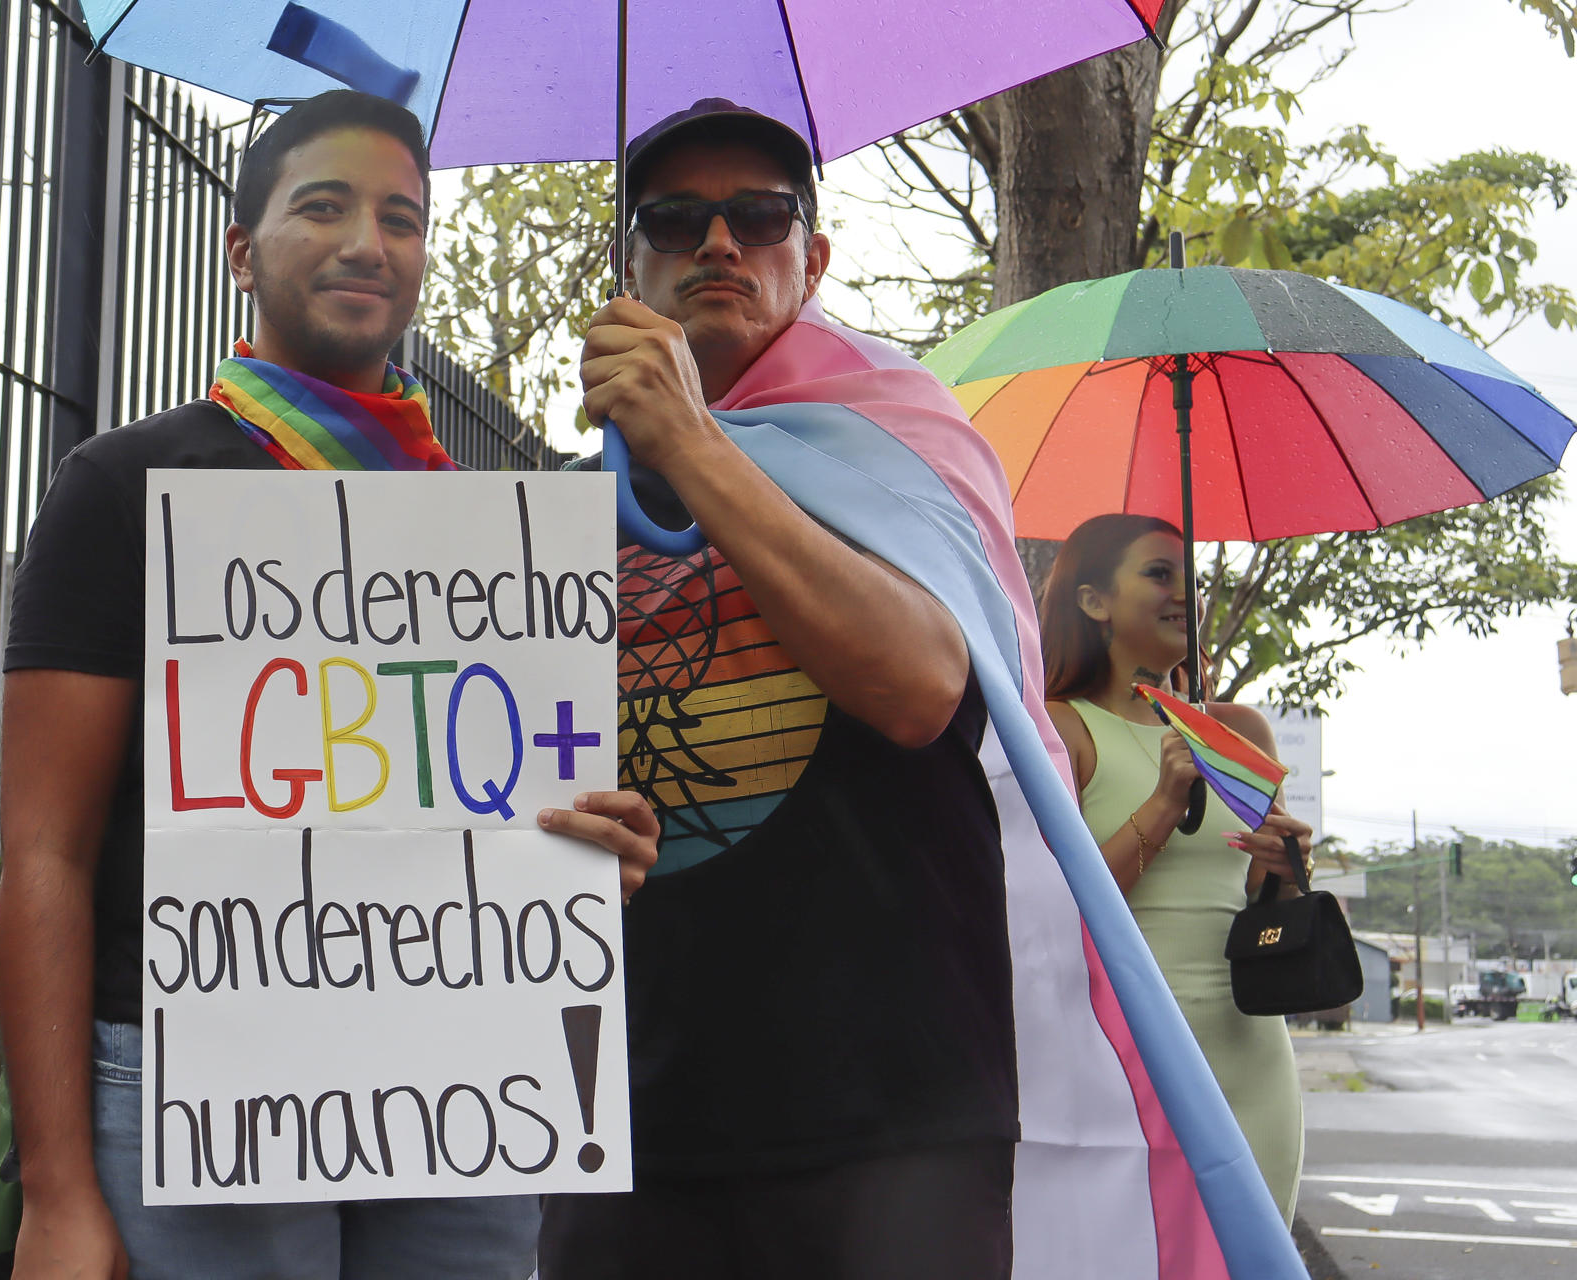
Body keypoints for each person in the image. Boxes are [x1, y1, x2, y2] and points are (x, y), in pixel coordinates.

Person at [0, 90, 653, 1280]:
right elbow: (44, 853)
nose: (369, 241)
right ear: (241, 250)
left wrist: (586, 850)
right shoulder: (123, 482)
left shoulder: (487, 527)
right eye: (325, 206)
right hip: (194, 1080)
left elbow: (502, 810)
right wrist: (56, 1188)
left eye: (402, 217)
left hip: (460, 1085)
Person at [538, 98, 1033, 1280]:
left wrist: (698, 445)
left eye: (760, 215)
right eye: (674, 218)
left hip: (889, 1119)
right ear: (630, 266)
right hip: (630, 1117)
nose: (719, 243)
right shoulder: (553, 518)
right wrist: (554, 832)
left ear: (811, 259)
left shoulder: (901, 445)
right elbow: (509, 799)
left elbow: (921, 687)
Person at [1038, 512, 1310, 1222]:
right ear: (1094, 601)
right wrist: (1163, 803)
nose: (1181, 592)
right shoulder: (1058, 729)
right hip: (1121, 1057)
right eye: (1159, 574)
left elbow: (1257, 899)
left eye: (1188, 578)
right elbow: (1057, 905)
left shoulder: (1238, 732)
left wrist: (1285, 868)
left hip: (1247, 1048)